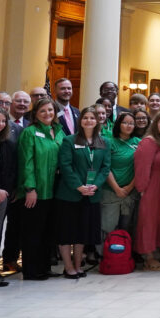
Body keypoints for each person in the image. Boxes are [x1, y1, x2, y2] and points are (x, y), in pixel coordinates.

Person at [54, 106, 109, 279]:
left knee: (82, 232)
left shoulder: (103, 142)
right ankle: (68, 267)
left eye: (92, 118)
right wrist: (79, 186)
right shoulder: (69, 141)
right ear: (80, 121)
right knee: (66, 232)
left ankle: (78, 266)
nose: (89, 121)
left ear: (97, 121)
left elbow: (105, 168)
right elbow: (66, 166)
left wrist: (95, 186)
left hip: (92, 194)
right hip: (70, 194)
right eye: (85, 118)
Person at [17, 98, 64, 280]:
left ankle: (45, 267)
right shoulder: (30, 133)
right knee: (33, 232)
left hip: (55, 191)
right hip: (36, 191)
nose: (47, 114)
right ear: (35, 114)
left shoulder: (59, 133)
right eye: (42, 111)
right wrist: (30, 189)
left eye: (50, 110)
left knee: (48, 232)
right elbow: (26, 162)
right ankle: (31, 270)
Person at [134, 110, 160, 271]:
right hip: (151, 186)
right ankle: (149, 257)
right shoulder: (148, 142)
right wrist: (142, 188)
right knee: (149, 221)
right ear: (155, 123)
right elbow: (142, 167)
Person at [0, 109, 14, 286]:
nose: (1, 124)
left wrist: (4, 190)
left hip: (3, 195)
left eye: (3, 121)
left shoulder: (7, 143)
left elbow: (10, 171)